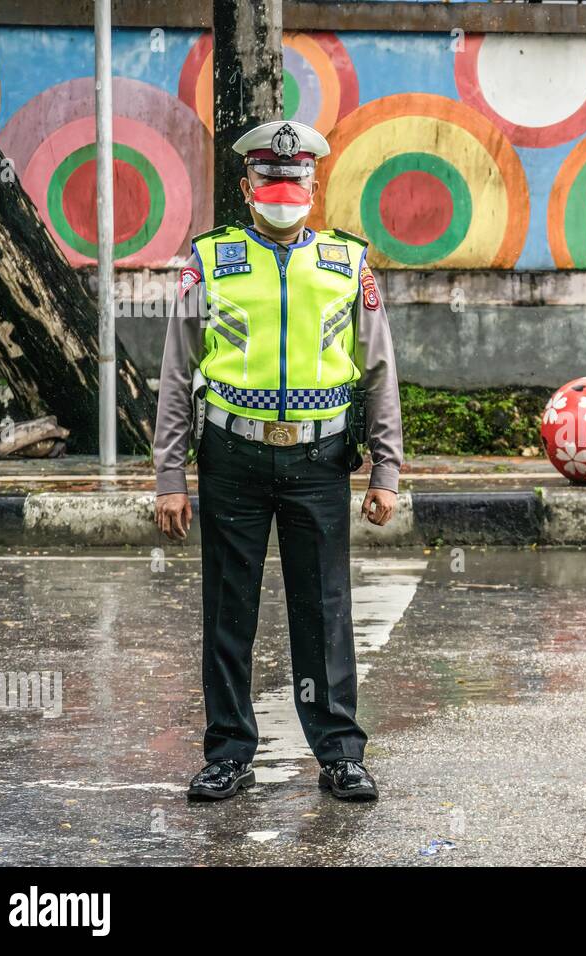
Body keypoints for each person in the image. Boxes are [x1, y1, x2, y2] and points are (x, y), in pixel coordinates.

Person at [153, 120, 403, 802]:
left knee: (322, 610)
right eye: (270, 180)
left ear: (314, 188)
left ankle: (339, 752)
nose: (283, 191)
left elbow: (379, 369)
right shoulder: (209, 261)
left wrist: (387, 468)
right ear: (247, 186)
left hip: (321, 459)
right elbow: (179, 373)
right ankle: (229, 752)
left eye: (295, 182)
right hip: (230, 454)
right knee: (229, 609)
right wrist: (169, 475)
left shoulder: (348, 264)